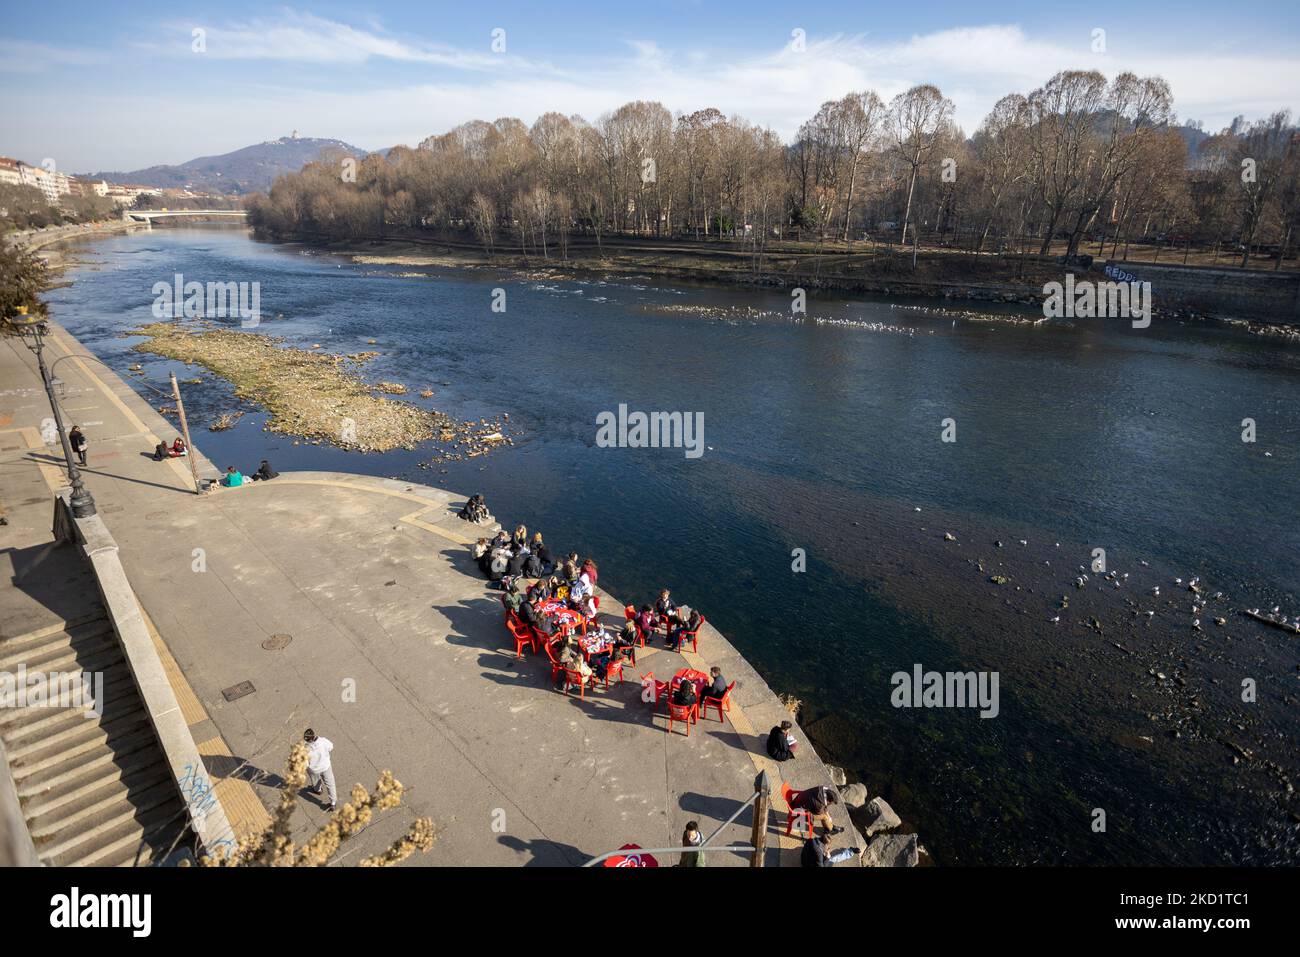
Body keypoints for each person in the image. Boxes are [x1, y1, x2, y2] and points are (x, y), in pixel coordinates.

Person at [303, 728, 337, 812]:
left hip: (314, 769)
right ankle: (333, 803)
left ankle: (318, 790)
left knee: (315, 780)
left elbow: (305, 762)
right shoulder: (323, 741)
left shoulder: (305, 748)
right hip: (326, 766)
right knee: (330, 784)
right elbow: (331, 746)